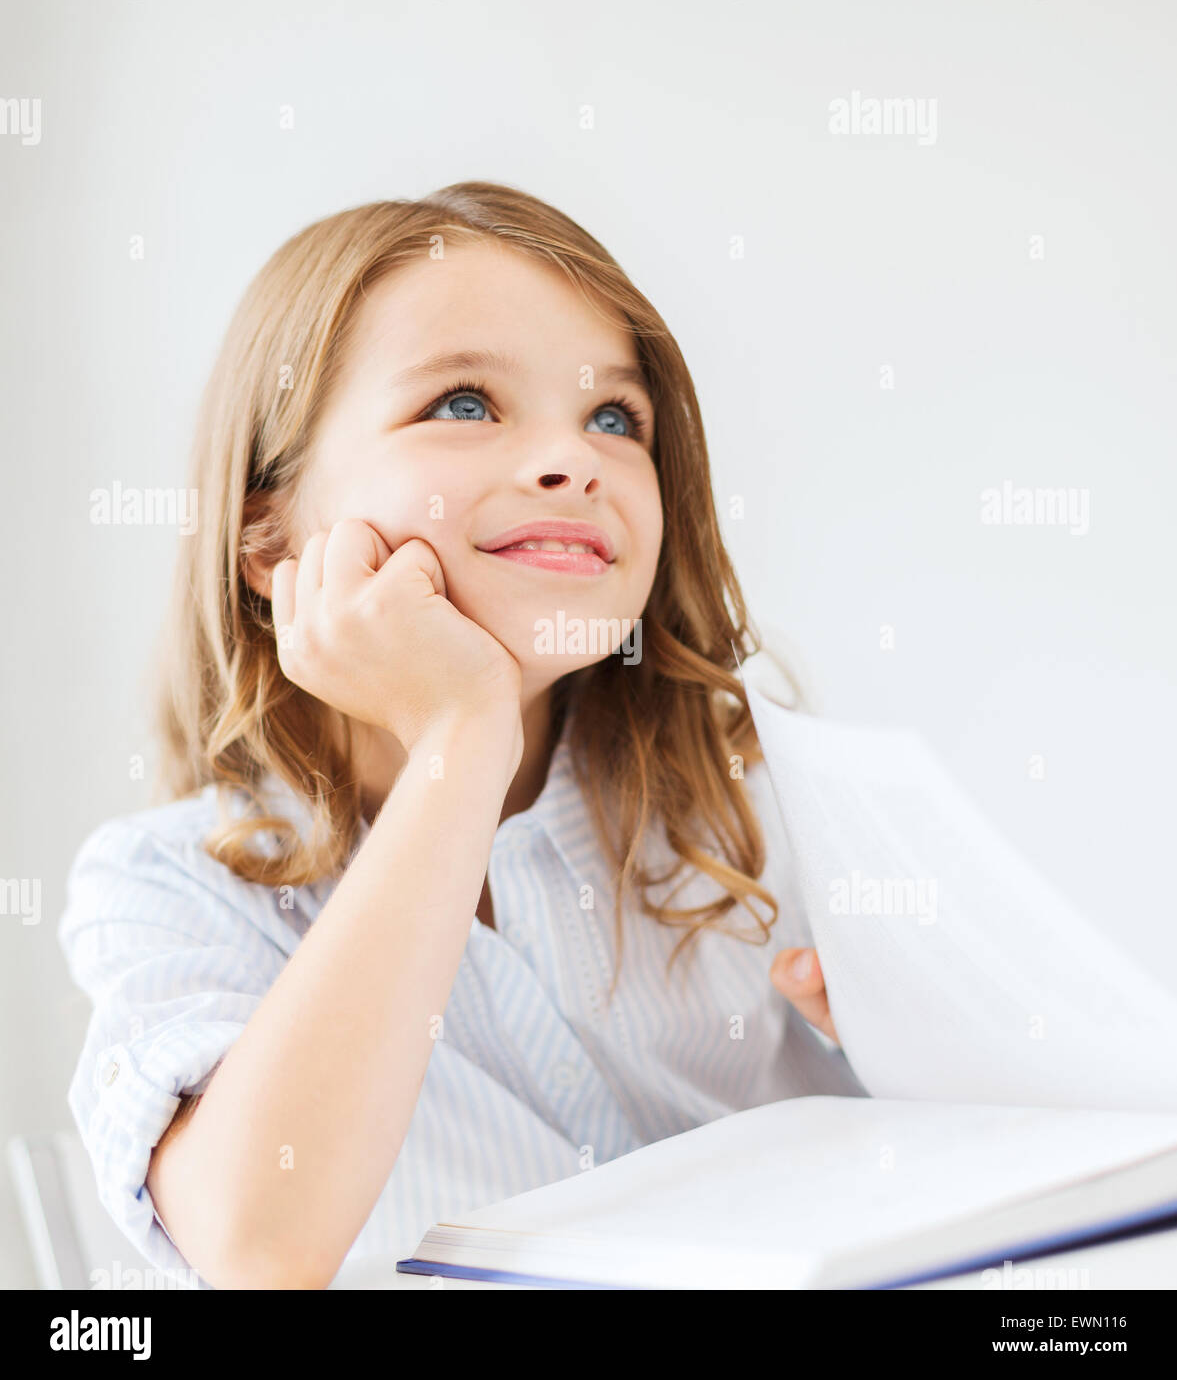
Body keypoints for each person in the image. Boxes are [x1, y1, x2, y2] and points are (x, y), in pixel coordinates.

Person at [58, 180, 861, 1290]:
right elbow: (258, 1244)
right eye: (467, 405)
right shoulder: (169, 887)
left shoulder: (754, 809)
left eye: (613, 418)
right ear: (265, 533)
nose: (570, 460)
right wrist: (458, 736)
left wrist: (909, 1052)